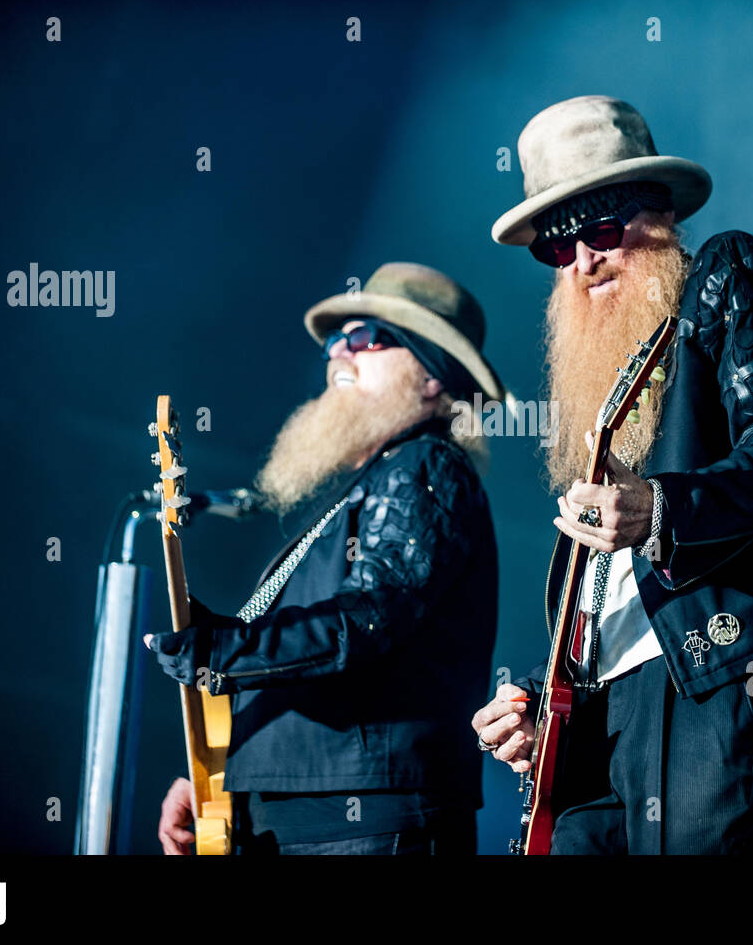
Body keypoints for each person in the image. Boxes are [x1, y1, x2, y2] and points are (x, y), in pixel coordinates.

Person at [471, 95, 753, 854]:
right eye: (556, 249)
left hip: (705, 671)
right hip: (603, 707)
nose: (583, 260)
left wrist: (661, 508)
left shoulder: (723, 277)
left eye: (601, 227)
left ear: (659, 211)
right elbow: (614, 590)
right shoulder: (604, 379)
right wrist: (545, 696)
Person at [148, 262, 505, 854]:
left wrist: (224, 650)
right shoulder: (371, 486)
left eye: (365, 337)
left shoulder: (426, 467)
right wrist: (222, 775)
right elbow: (303, 655)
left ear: (433, 375)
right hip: (294, 821)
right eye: (336, 342)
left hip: (368, 825)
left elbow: (371, 615)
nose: (339, 352)